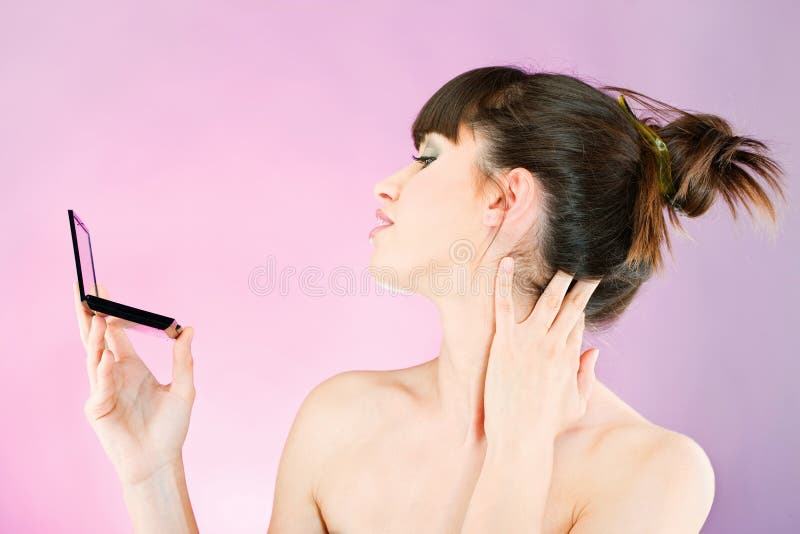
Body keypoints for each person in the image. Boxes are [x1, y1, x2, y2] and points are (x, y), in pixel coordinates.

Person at [75, 65, 786, 533]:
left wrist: (517, 454)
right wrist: (152, 475)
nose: (387, 185)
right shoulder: (341, 418)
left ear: (505, 200)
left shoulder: (654, 474)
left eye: (427, 156)